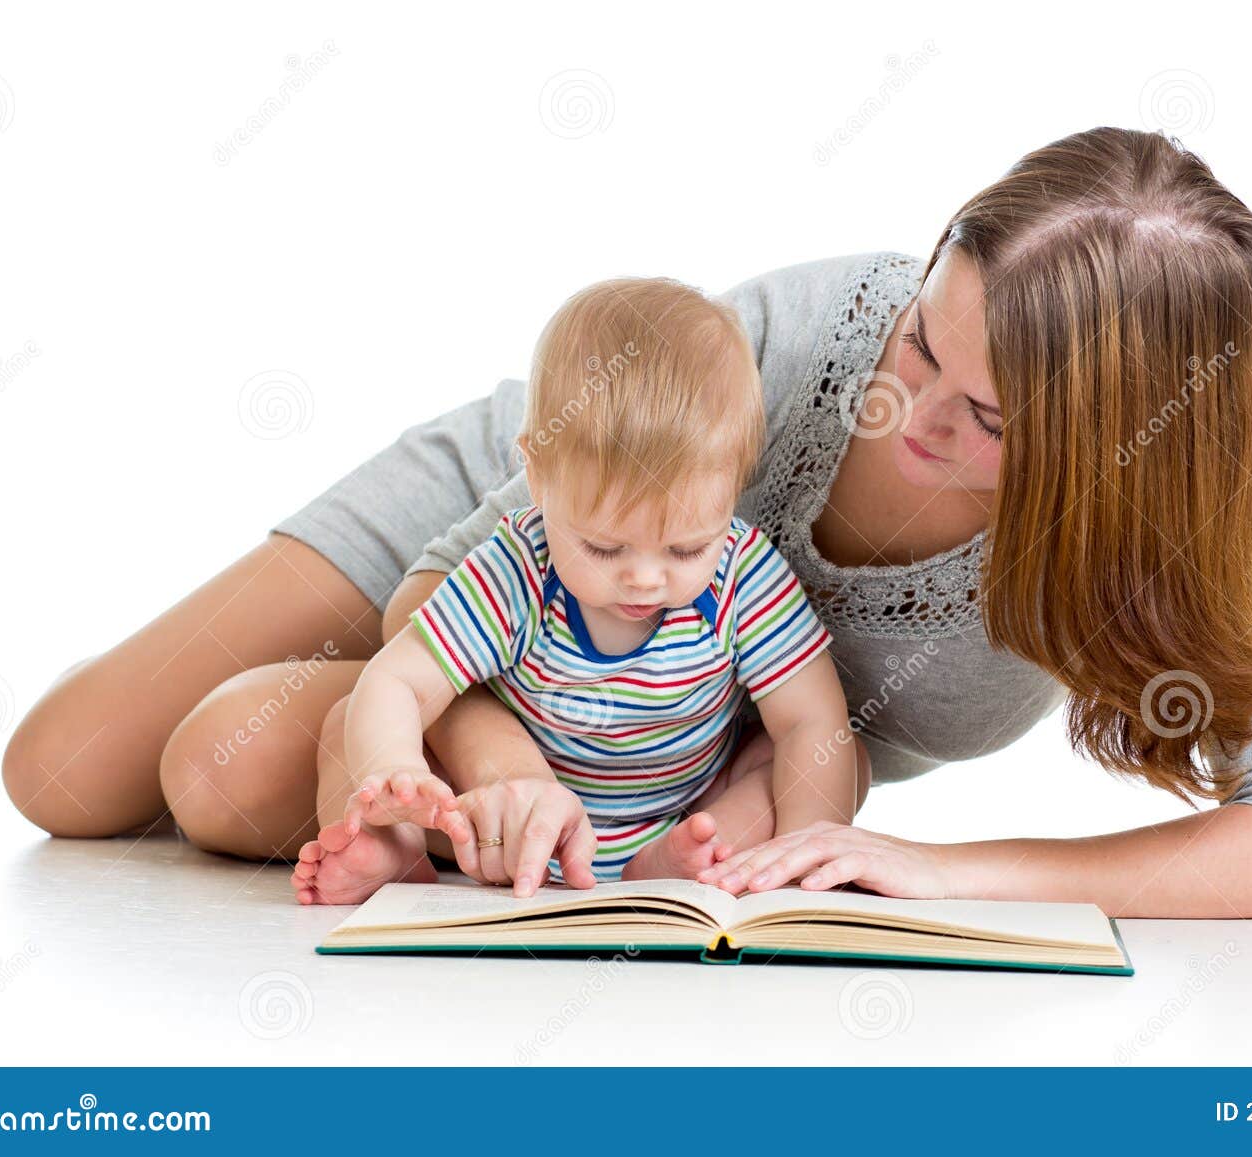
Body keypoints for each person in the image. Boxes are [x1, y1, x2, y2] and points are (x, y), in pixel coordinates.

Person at [2, 126, 1252, 918]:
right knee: (60, 775)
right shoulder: (800, 341)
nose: (919, 408)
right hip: (500, 548)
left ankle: (346, 742)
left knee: (230, 777)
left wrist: (928, 866)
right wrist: (496, 764)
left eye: (989, 420)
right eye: (920, 342)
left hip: (670, 756)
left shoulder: (1174, 518)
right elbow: (445, 591)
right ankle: (202, 674)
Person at [289, 277, 858, 904]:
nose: (645, 578)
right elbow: (398, 678)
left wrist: (804, 850)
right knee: (352, 719)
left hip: (687, 814)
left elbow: (812, 719)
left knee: (803, 759)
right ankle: (391, 854)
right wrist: (394, 772)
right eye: (605, 548)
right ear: (537, 476)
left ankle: (690, 864)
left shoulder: (744, 574)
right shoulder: (518, 568)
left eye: (685, 549)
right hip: (506, 827)